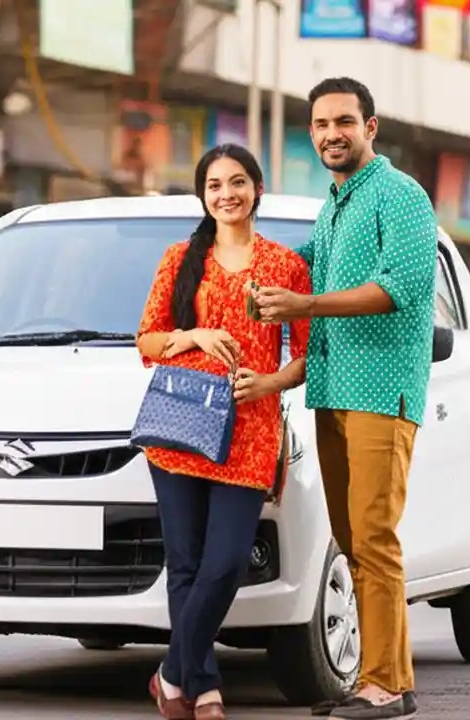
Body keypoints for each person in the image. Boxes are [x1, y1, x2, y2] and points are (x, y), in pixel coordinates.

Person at [251, 77, 436, 720]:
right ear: (311, 134)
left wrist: (302, 304)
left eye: (345, 122)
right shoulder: (333, 205)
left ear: (370, 127)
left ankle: (380, 685)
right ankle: (393, 680)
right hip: (331, 389)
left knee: (374, 537)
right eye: (322, 124)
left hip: (383, 393)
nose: (333, 133)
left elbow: (398, 287)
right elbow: (294, 270)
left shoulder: (400, 195)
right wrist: (228, 258)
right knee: (355, 540)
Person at [135, 144, 311, 720]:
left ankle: (169, 673)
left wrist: (269, 384)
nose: (227, 194)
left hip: (251, 431)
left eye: (238, 182)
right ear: (203, 195)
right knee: (184, 561)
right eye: (215, 185)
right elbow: (147, 342)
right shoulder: (179, 259)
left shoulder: (285, 265)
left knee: (228, 560)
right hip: (182, 427)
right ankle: (202, 686)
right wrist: (195, 336)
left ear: (257, 190)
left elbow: (309, 357)